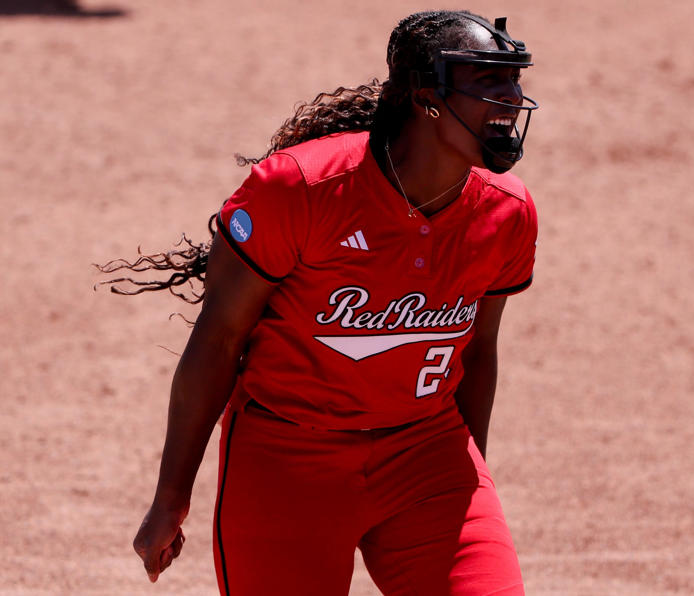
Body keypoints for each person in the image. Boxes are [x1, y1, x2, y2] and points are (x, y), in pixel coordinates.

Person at [109, 9, 539, 595]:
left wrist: (468, 484)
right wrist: (170, 498)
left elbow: (478, 351)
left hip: (427, 454)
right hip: (287, 462)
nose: (510, 97)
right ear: (426, 99)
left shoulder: (506, 210)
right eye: (487, 80)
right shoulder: (299, 191)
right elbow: (219, 341)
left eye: (513, 79)